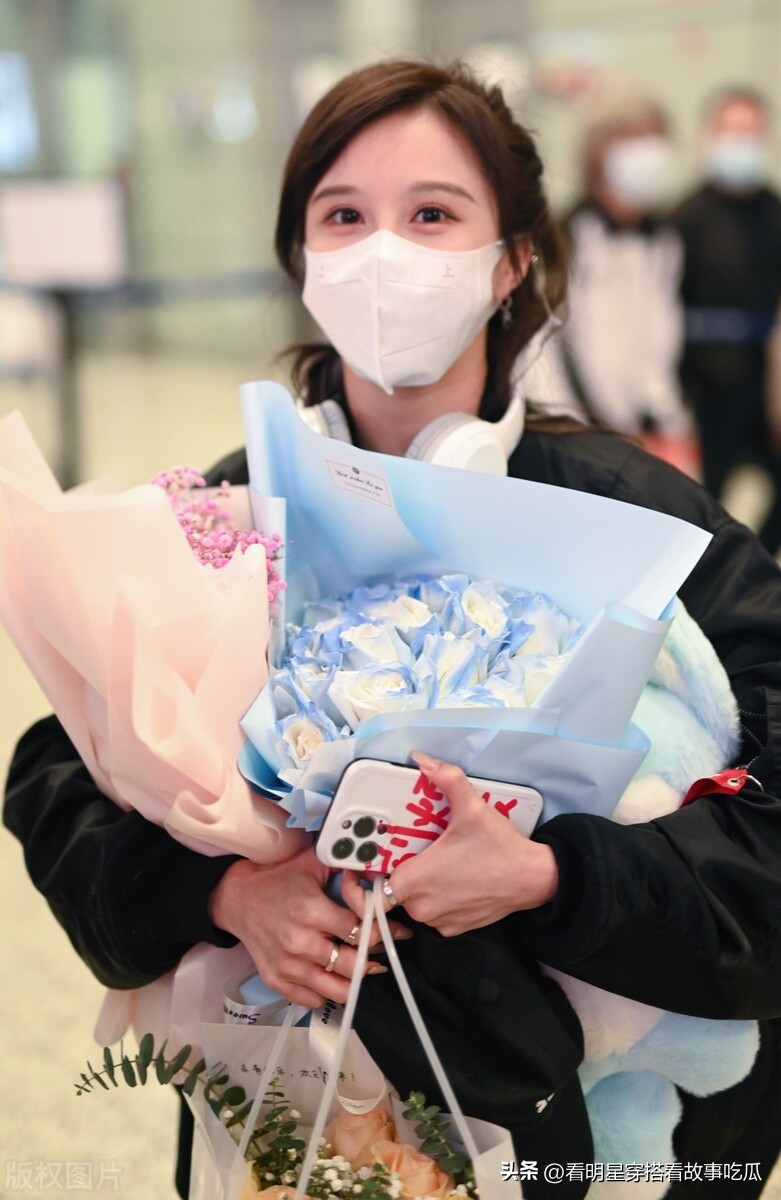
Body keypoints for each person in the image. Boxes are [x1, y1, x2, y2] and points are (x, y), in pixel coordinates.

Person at [4, 60, 781, 1200]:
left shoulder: (638, 517)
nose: (384, 253)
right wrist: (220, 894)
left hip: (589, 1144)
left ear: (513, 258)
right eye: (343, 216)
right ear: (303, 258)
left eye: (432, 215)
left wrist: (552, 879)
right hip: (301, 1133)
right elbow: (58, 778)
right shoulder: (215, 521)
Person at [525, 89, 694, 467]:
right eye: (631, 140)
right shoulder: (561, 239)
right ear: (597, 155)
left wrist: (668, 422)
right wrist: (587, 435)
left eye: (654, 141)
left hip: (638, 439)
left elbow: (658, 345)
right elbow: (545, 355)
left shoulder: (663, 241)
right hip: (574, 436)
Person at [671, 86, 781, 557]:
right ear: (709, 137)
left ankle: (760, 566)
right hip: (702, 382)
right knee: (706, 498)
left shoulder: (774, 212)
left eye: (752, 133)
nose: (743, 143)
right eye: (733, 132)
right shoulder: (684, 217)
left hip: (765, 376)